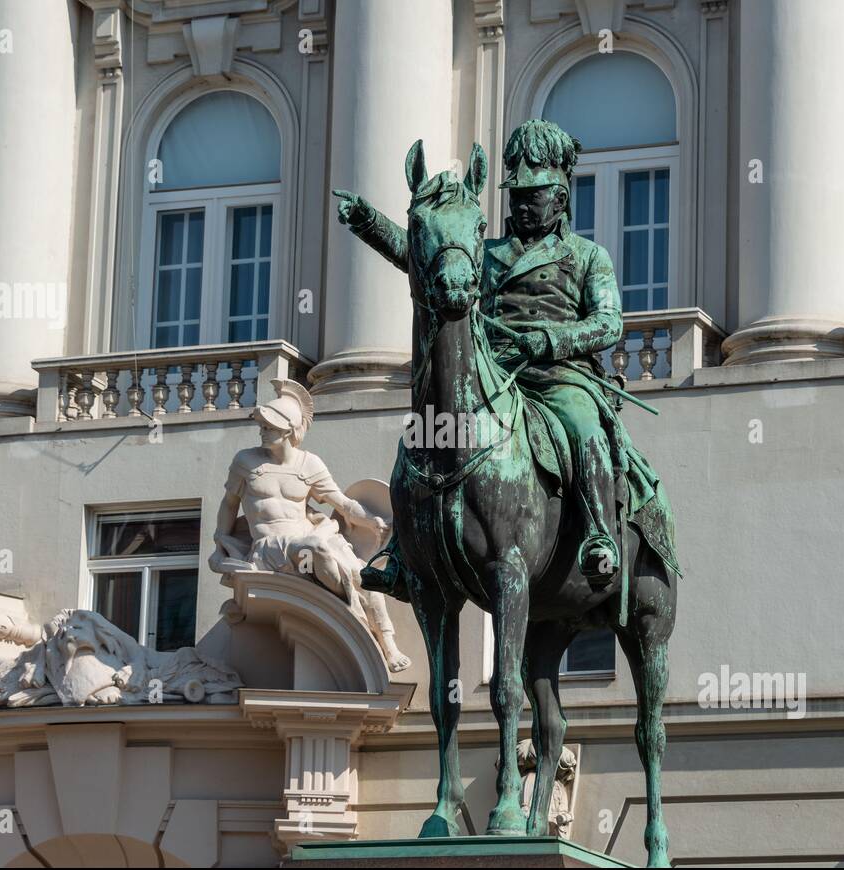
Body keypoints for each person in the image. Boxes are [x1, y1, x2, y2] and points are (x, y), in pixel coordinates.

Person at [335, 118, 677, 596]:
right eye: (515, 194)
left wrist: (548, 341)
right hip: (492, 376)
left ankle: (599, 533)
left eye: (531, 194)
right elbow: (423, 254)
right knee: (423, 433)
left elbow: (608, 323)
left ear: (558, 198)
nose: (520, 202)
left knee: (584, 428)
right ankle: (404, 552)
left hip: (559, 378)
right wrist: (369, 222)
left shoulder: (585, 256)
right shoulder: (488, 251)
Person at [209, 378, 411, 673]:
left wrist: (373, 520)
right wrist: (220, 543)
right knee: (316, 546)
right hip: (271, 547)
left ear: (289, 430)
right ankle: (352, 613)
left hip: (308, 537)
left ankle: (388, 643)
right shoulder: (246, 462)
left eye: (269, 427)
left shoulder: (309, 464)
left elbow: (341, 503)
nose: (262, 431)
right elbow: (229, 504)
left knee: (363, 575)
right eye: (263, 425)